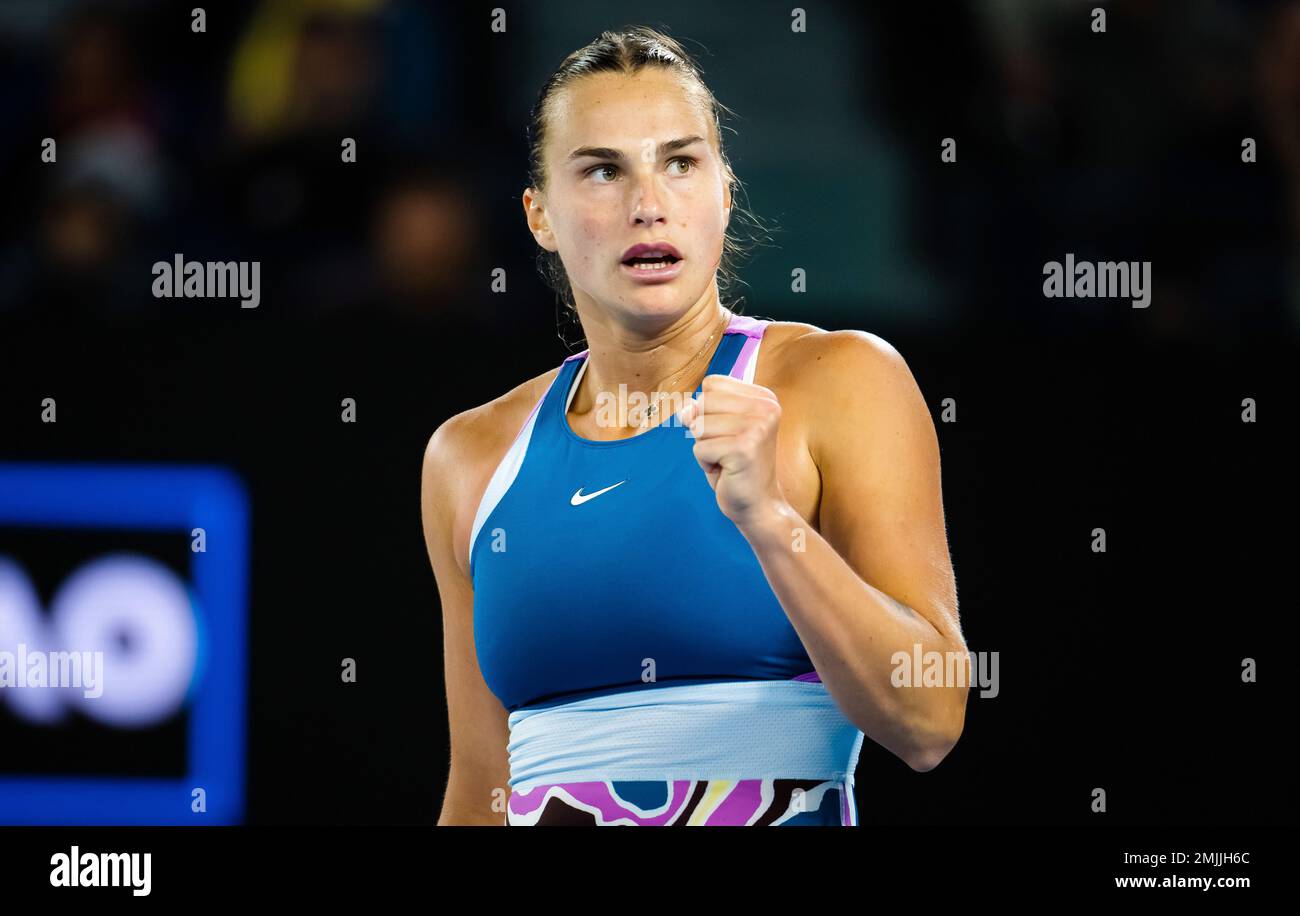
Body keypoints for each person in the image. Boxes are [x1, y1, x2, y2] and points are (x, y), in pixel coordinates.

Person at [423, 26, 967, 826]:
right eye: (604, 170)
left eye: (681, 163)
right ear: (539, 215)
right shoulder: (469, 455)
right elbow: (477, 797)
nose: (649, 205)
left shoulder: (842, 381)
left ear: (723, 190)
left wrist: (772, 522)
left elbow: (929, 723)